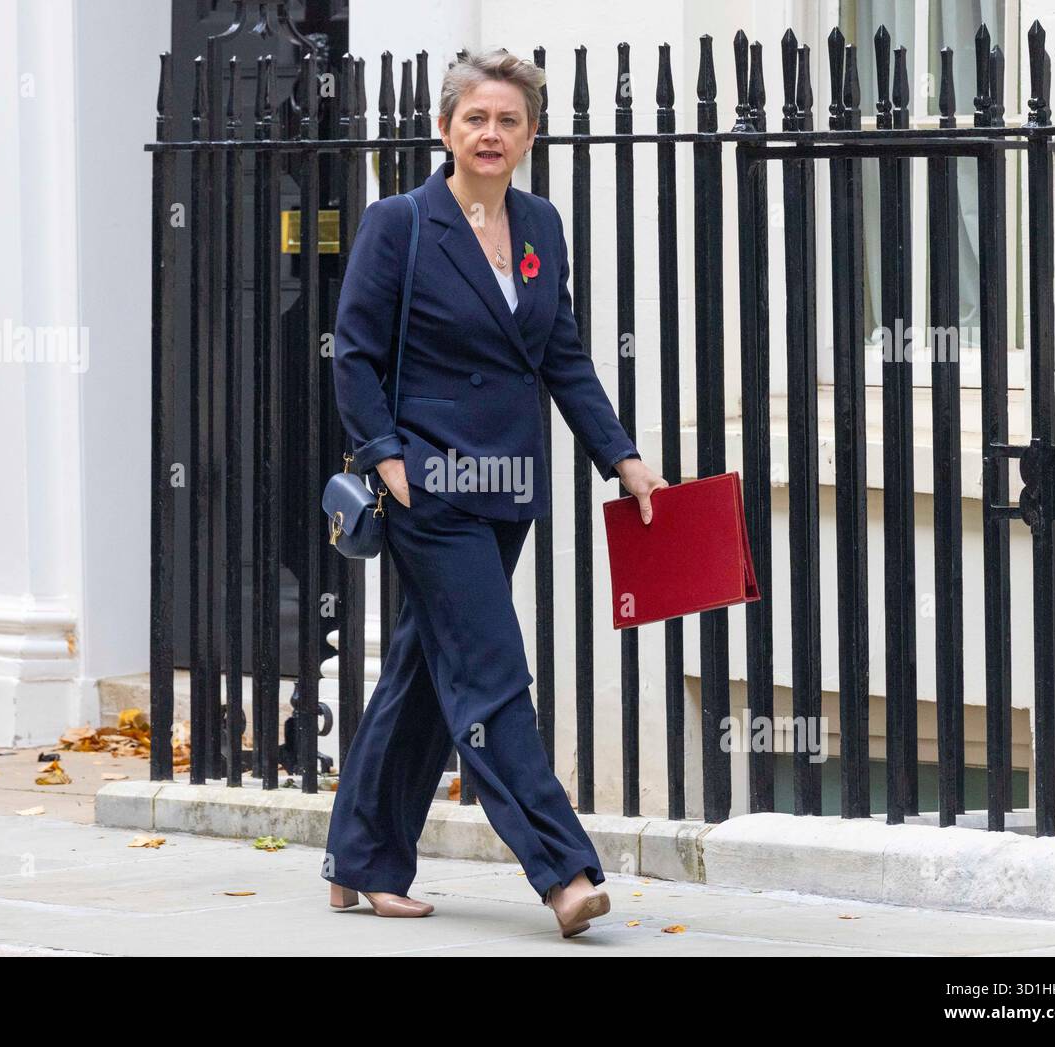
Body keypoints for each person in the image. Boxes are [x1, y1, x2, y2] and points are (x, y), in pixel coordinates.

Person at [322, 47, 666, 938]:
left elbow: (563, 357)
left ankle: (356, 858)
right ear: (445, 129)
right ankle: (562, 870)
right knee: (493, 675)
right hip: (426, 486)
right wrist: (384, 455)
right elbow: (353, 351)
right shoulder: (400, 223)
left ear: (530, 136)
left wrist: (621, 458)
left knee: (426, 675)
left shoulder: (541, 226)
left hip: (506, 484)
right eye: (475, 117)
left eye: (508, 120)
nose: (490, 133)